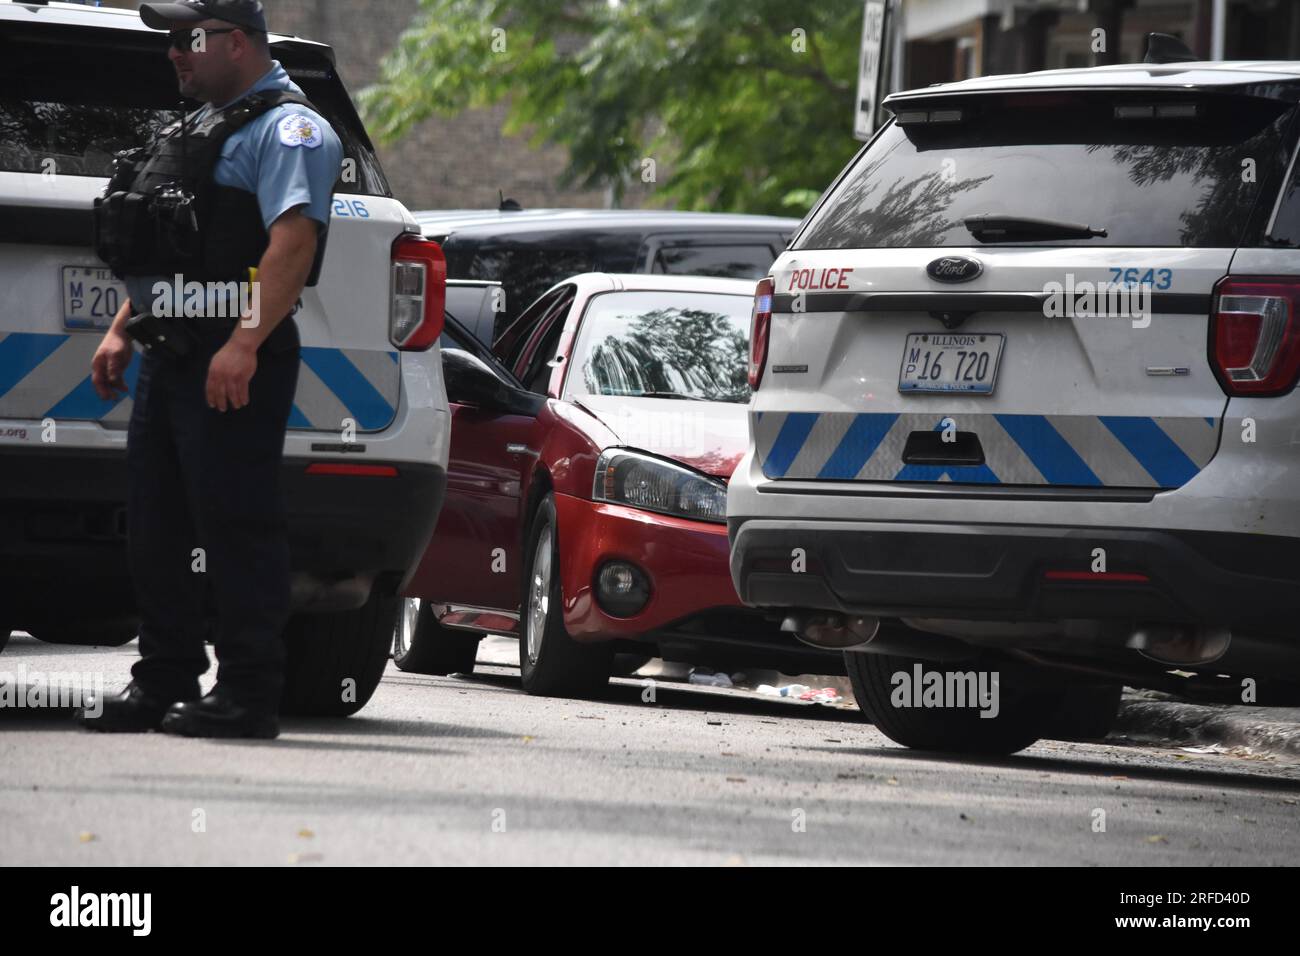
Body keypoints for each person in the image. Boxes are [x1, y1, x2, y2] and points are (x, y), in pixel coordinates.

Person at [78, 0, 342, 739]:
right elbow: (178, 249)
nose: (173, 53)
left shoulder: (289, 129)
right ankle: (163, 680)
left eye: (186, 39)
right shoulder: (201, 126)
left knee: (235, 527)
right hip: (171, 355)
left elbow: (291, 243)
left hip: (233, 361)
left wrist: (245, 343)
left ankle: (249, 693)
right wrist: (122, 329)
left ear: (236, 40)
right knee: (157, 529)